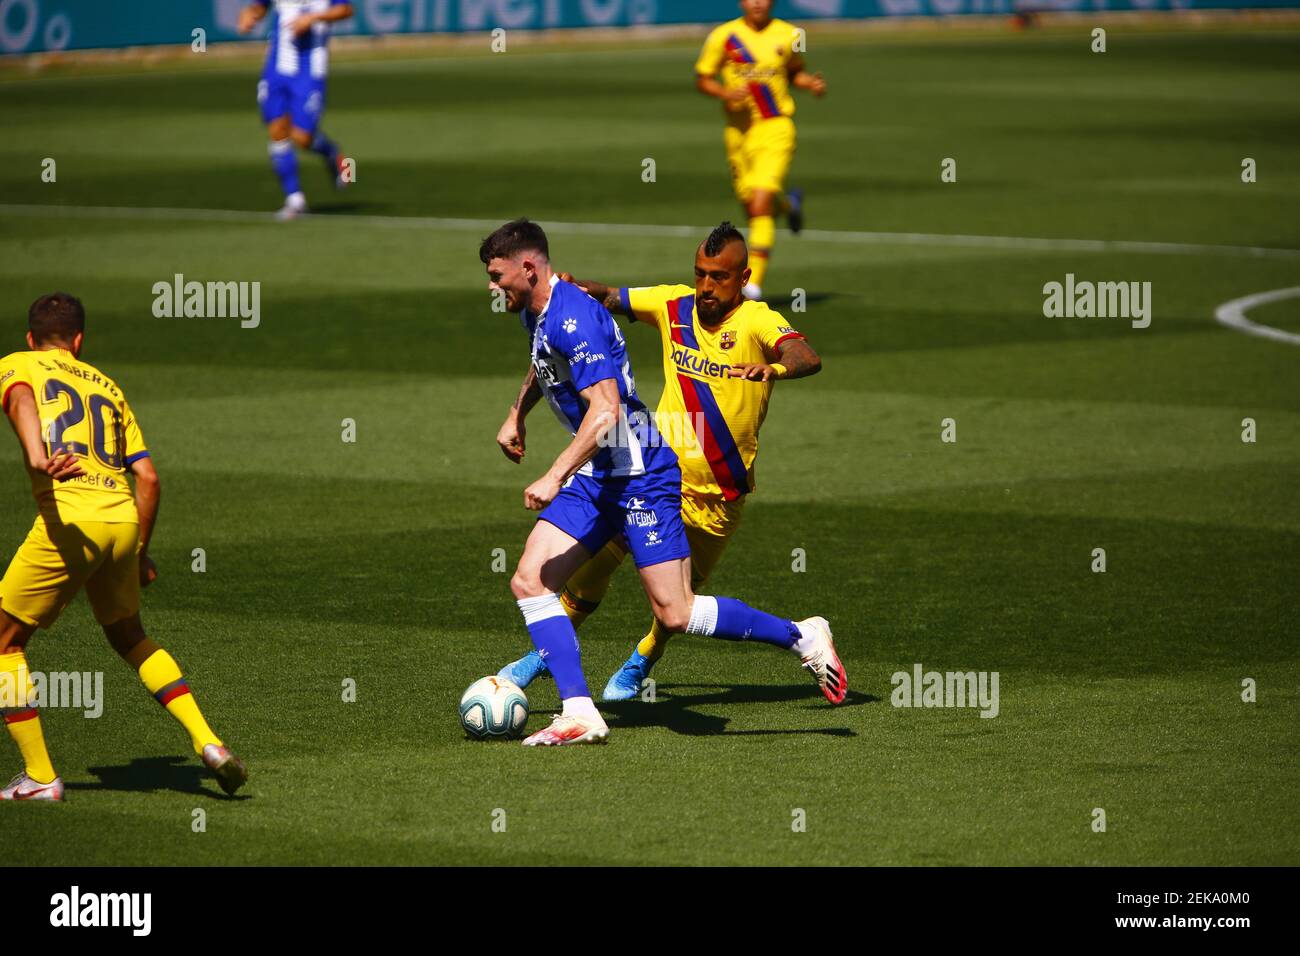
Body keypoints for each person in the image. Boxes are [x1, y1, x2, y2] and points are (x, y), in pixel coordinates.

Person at [482, 219, 845, 746]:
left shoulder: (578, 320)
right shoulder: (545, 313)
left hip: (645, 475)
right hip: (603, 470)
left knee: (675, 613)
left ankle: (801, 636)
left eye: (497, 276)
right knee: (532, 581)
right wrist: (517, 413)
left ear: (529, 269)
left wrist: (553, 474)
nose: (493, 288)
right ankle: (580, 711)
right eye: (699, 273)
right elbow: (550, 360)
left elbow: (604, 410)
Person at [0, 293, 246, 800]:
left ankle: (41, 777)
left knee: (3, 645)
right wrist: (138, 555)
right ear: (79, 340)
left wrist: (37, 455)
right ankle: (209, 742)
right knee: (130, 636)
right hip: (121, 520)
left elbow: (22, 398)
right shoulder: (108, 386)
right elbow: (149, 479)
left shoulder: (17, 363)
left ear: (31, 337)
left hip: (71, 519)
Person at [695, 0, 827, 300]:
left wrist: (811, 84)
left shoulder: (790, 34)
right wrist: (726, 92)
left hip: (775, 127)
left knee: (758, 205)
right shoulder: (724, 36)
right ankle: (789, 206)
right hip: (738, 133)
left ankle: (753, 284)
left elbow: (794, 73)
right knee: (752, 206)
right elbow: (703, 79)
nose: (757, 3)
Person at [239, 0, 354, 219]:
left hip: (310, 70)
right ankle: (295, 199)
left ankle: (331, 153)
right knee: (277, 129)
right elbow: (260, 6)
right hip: (276, 68)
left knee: (302, 137)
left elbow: (346, 9)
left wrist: (313, 18)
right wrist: (250, 13)